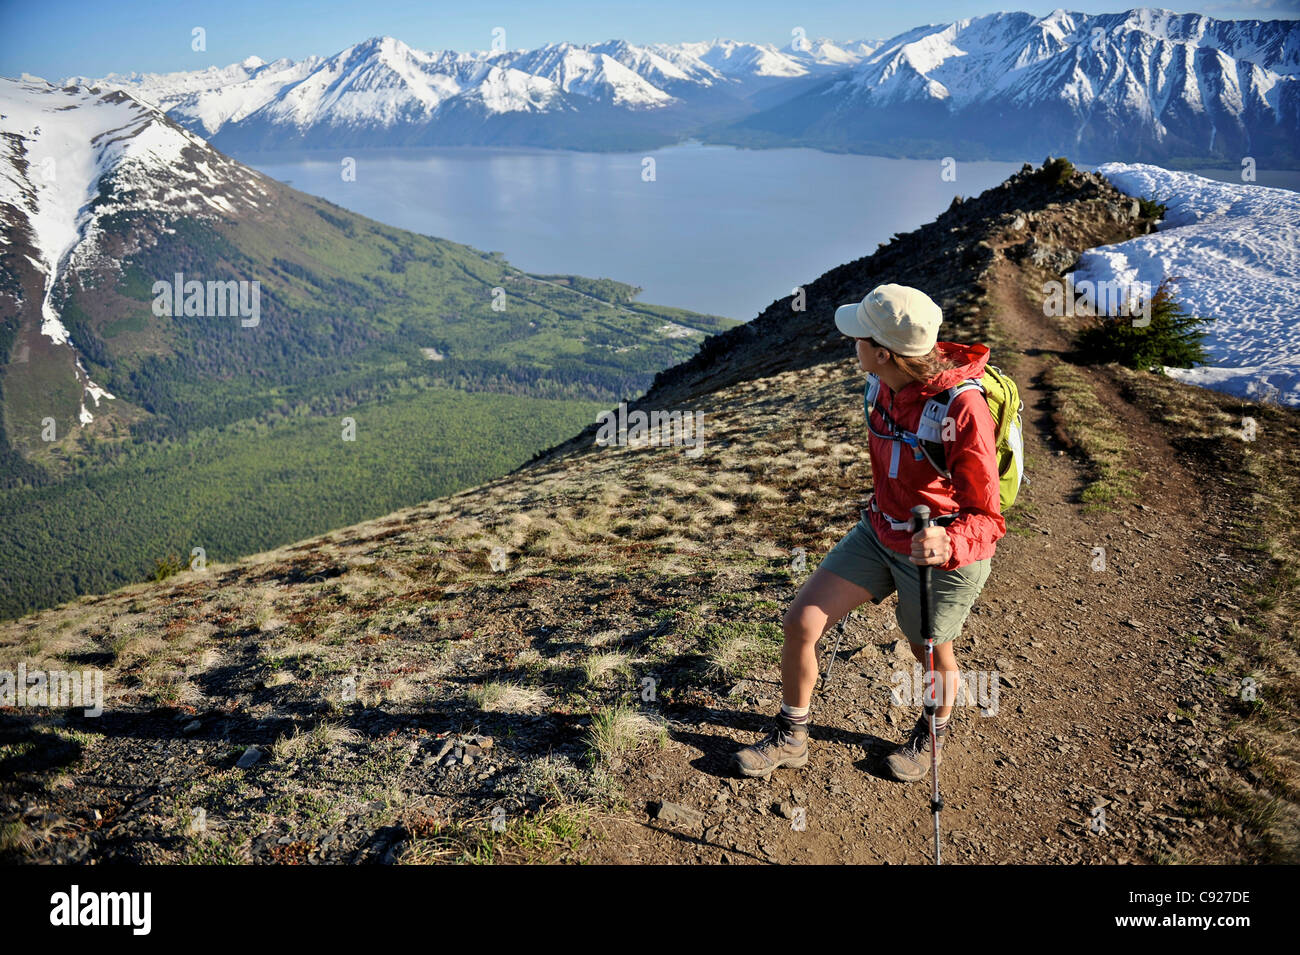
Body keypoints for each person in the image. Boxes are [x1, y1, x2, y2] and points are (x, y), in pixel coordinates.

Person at [733, 283, 1006, 782]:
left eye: (859, 336)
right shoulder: (880, 384)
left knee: (932, 650)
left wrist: (948, 542)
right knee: (801, 623)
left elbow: (988, 515)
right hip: (879, 534)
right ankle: (793, 736)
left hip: (940, 554)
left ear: (883, 352)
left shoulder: (962, 409)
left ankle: (932, 736)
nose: (850, 342)